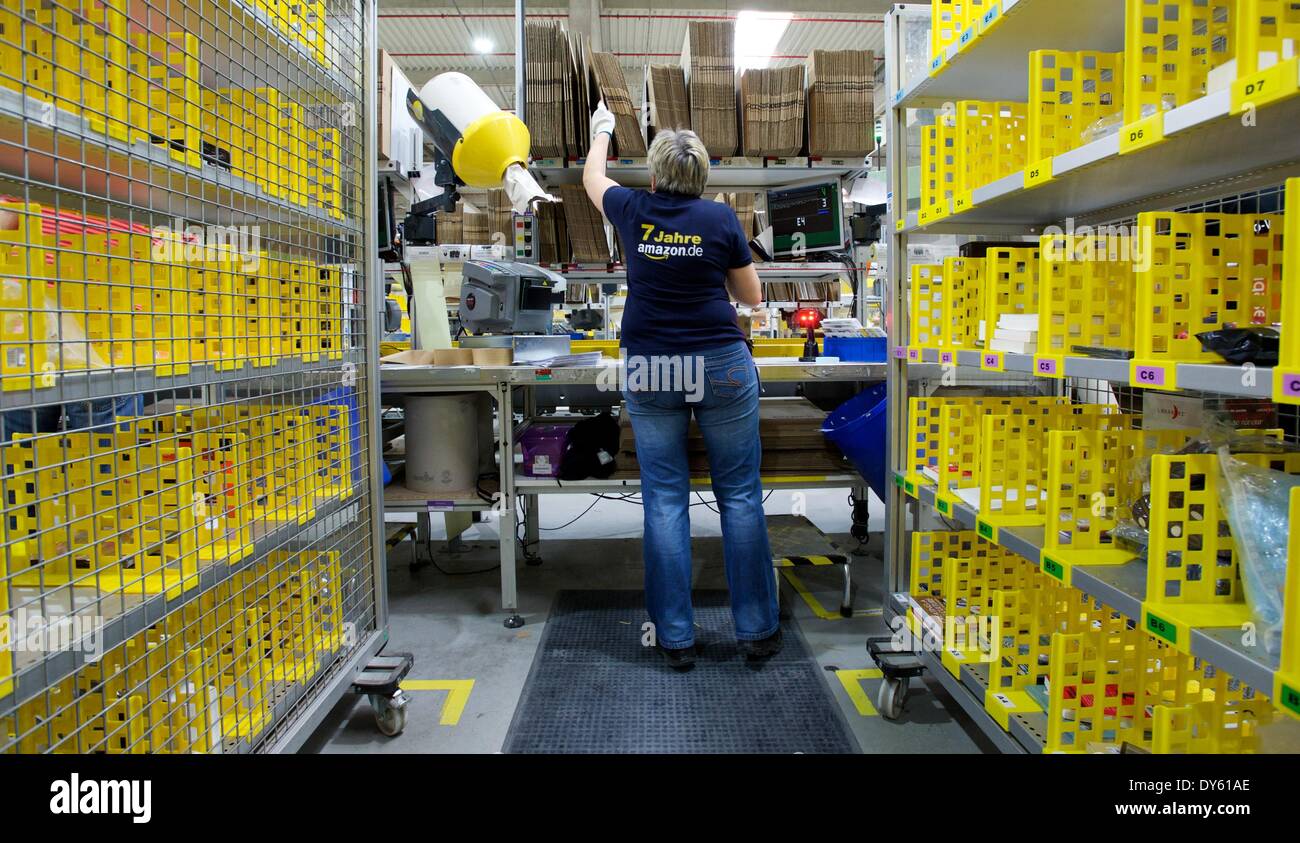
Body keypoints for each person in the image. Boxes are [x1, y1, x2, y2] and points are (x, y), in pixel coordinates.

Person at [582, 102, 779, 671]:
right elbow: (752, 300)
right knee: (739, 495)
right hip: (720, 363)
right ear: (701, 175)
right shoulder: (719, 219)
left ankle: (675, 639)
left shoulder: (629, 206)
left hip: (651, 367)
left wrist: (602, 130)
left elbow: (594, 177)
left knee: (665, 500)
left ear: (655, 171)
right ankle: (757, 632)